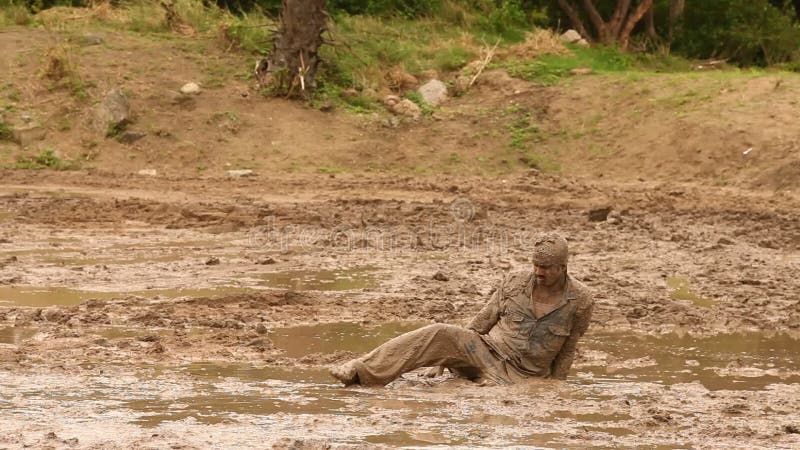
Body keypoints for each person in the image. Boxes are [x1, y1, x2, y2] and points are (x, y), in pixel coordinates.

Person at [329, 232, 593, 386]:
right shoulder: (513, 282)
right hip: (486, 352)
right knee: (440, 332)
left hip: (521, 376)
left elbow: (568, 350)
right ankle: (361, 371)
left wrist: (556, 388)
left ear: (562, 267)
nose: (538, 272)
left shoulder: (581, 300)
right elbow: (481, 323)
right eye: (535, 265)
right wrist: (445, 358)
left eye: (545, 268)